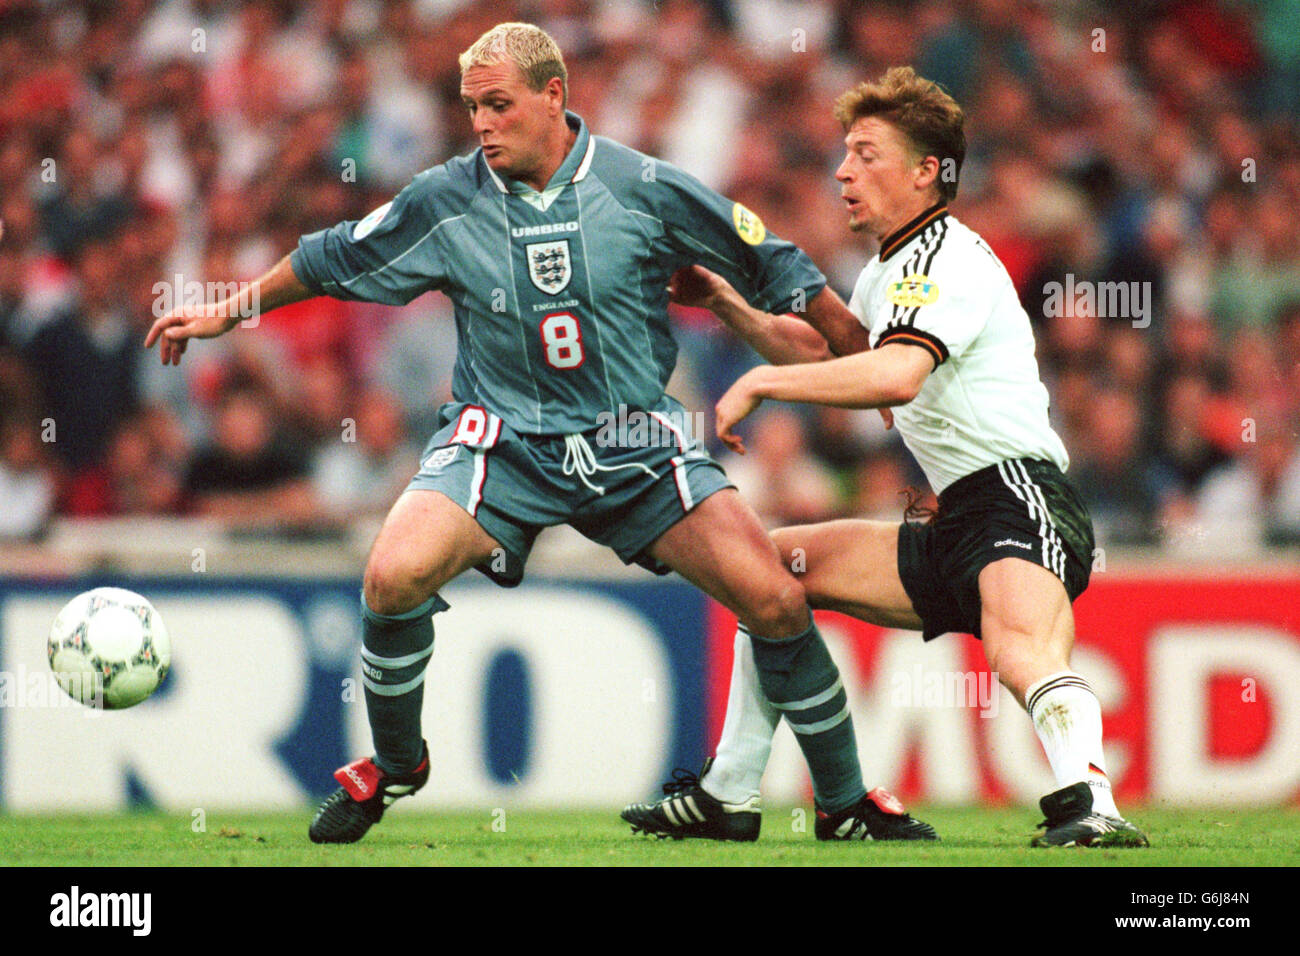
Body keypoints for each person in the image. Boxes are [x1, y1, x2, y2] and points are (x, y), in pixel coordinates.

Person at [145, 23, 935, 845]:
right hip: (502, 444)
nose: (481, 125)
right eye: (471, 108)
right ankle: (397, 761)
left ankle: (842, 803)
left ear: (553, 96)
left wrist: (853, 349)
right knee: (390, 577)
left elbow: (775, 263)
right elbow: (331, 257)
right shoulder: (446, 198)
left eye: (497, 105)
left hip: (635, 443)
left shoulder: (644, 186)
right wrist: (226, 310)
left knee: (774, 597)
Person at [627, 67, 1148, 848]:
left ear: (925, 171)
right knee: (770, 571)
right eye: (844, 153)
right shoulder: (890, 270)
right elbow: (841, 348)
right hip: (958, 511)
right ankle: (728, 792)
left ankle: (1095, 806)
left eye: (866, 153)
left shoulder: (948, 259)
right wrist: (730, 306)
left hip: (1020, 495)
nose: (843, 171)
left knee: (1018, 650)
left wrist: (766, 382)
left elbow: (895, 374)